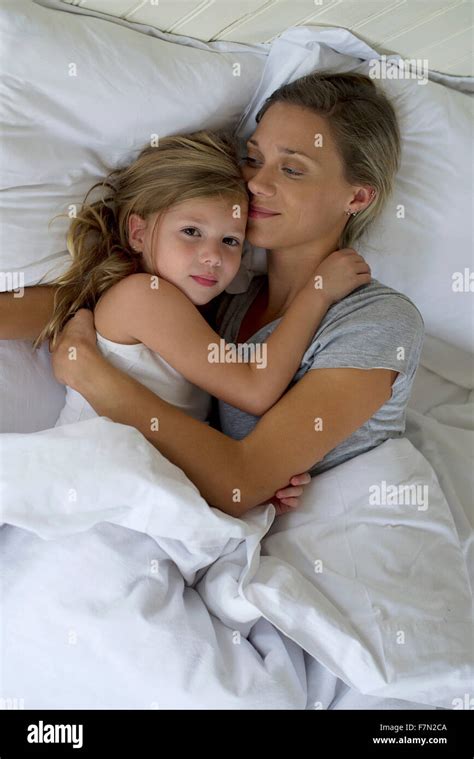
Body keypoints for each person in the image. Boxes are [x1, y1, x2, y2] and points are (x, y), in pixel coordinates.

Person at [0, 72, 424, 519]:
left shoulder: (378, 320)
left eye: (292, 168)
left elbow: (238, 482)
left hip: (346, 545)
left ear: (356, 197)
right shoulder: (223, 297)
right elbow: (88, 300)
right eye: (253, 158)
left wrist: (89, 375)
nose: (257, 183)